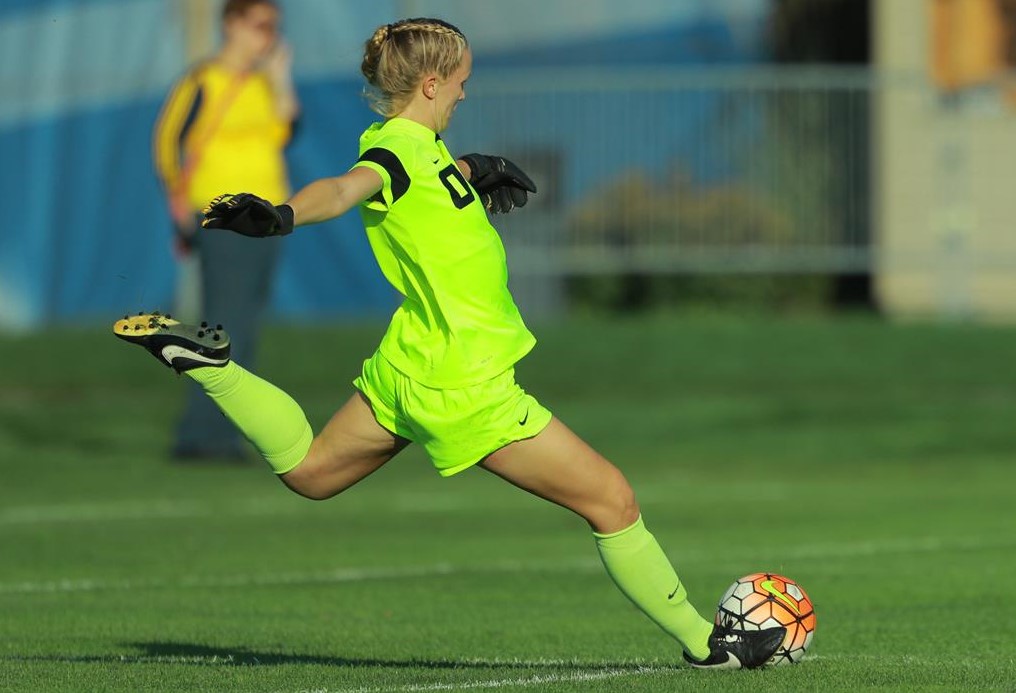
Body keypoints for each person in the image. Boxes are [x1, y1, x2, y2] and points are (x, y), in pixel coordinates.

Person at [118, 17, 784, 668]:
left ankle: (213, 367)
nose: (466, 91)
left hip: (413, 359)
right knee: (612, 500)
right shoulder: (394, 151)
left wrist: (471, 168)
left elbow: (416, 181)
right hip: (465, 381)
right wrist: (285, 213)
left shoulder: (420, 146)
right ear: (432, 83)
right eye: (462, 80)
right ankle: (710, 645)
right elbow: (350, 186)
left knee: (311, 472)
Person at [152, 0, 299, 461]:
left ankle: (223, 434)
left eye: (274, 26)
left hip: (266, 217)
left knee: (245, 329)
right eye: (260, 25)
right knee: (224, 326)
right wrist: (179, 201)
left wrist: (280, 77)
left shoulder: (263, 82)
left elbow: (286, 131)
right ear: (231, 24)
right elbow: (167, 141)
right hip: (222, 216)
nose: (268, 35)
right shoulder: (203, 80)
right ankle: (202, 436)